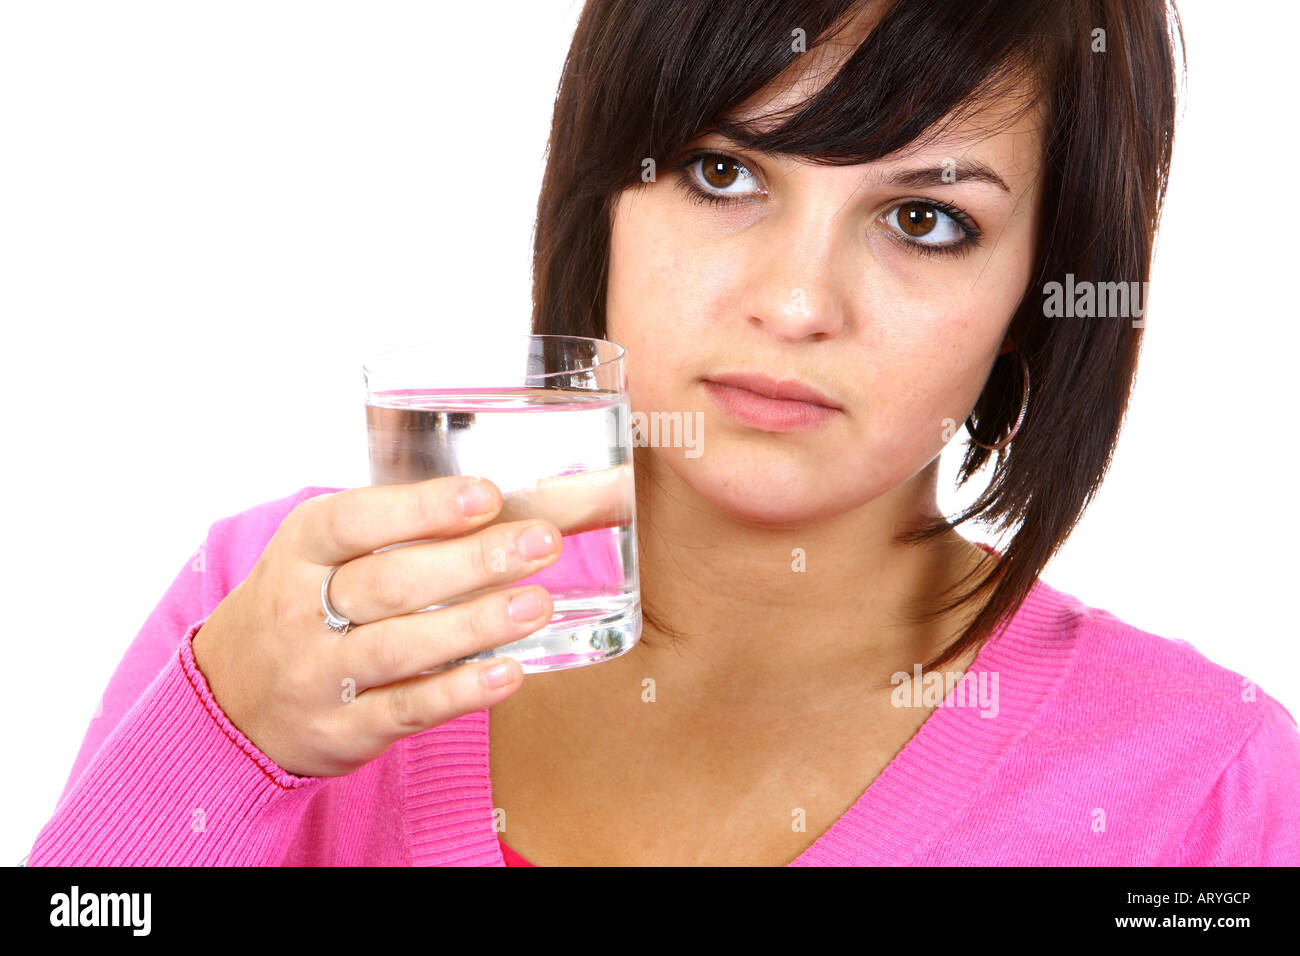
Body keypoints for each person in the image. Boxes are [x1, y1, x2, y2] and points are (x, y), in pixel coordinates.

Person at [28, 0, 1300, 867]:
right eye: (724, 173)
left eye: (923, 220)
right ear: (605, 199)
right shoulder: (288, 604)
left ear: (1041, 285)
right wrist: (227, 733)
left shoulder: (1206, 785)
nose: (797, 303)